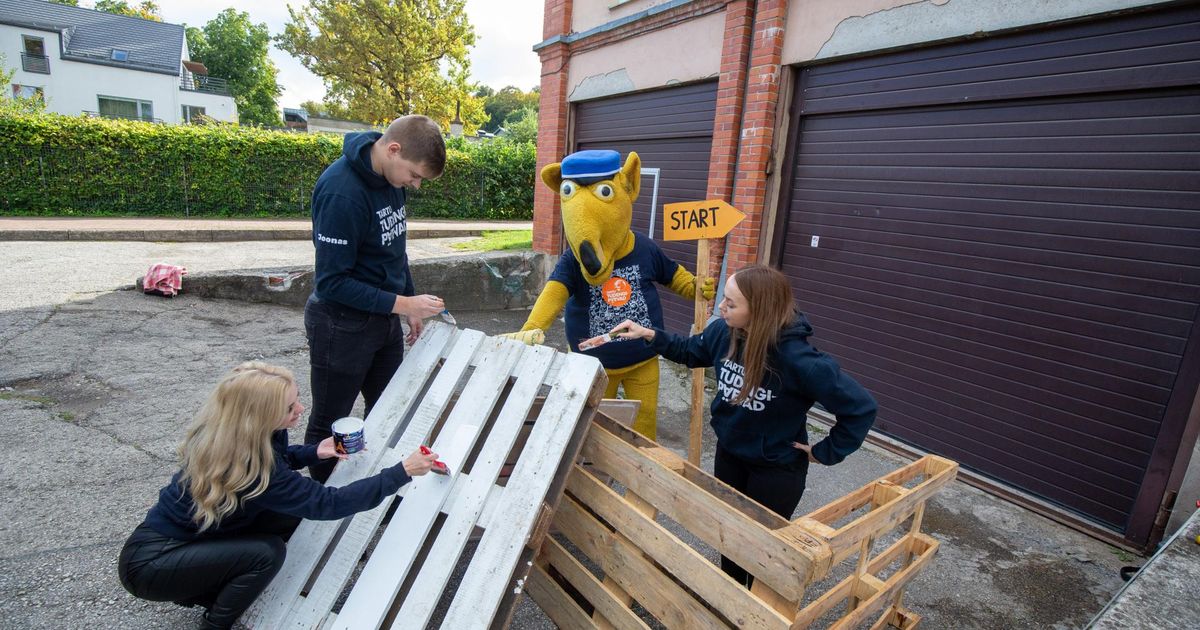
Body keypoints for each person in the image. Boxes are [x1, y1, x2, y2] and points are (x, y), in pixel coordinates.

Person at [117, 362, 442, 630]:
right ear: (259, 417)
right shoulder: (255, 471)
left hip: (190, 539)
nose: (301, 409)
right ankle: (214, 623)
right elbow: (330, 503)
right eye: (290, 407)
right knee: (266, 553)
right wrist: (401, 472)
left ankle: (207, 585)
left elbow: (278, 459)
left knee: (287, 517)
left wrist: (314, 451)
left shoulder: (238, 434)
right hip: (151, 566)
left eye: (297, 399)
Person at [610, 264, 877, 587]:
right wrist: (650, 334)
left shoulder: (800, 360)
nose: (721, 307)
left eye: (731, 303)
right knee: (731, 539)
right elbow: (691, 351)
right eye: (724, 299)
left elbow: (860, 409)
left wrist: (825, 451)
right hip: (730, 455)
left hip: (775, 469)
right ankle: (732, 599)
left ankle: (759, 608)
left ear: (759, 310)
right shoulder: (724, 332)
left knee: (765, 548)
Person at [304, 114, 448, 482]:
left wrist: (410, 301)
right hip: (340, 324)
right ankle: (322, 503)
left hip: (382, 319)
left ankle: (374, 489)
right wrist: (403, 304)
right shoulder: (341, 192)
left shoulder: (390, 177)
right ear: (393, 149)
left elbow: (394, 250)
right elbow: (332, 282)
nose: (414, 185)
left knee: (388, 409)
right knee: (330, 420)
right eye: (414, 175)